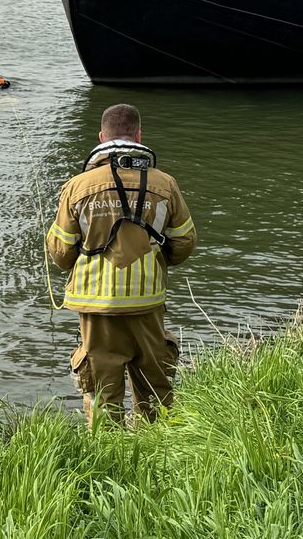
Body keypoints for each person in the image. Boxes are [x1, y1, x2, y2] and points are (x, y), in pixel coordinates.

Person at [45, 104, 196, 425]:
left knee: (102, 395)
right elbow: (184, 243)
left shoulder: (77, 186)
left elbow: (60, 253)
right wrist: (157, 259)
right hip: (148, 302)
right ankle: (162, 449)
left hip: (97, 308)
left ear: (101, 137)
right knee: (156, 393)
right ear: (139, 135)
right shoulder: (165, 184)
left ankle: (108, 457)